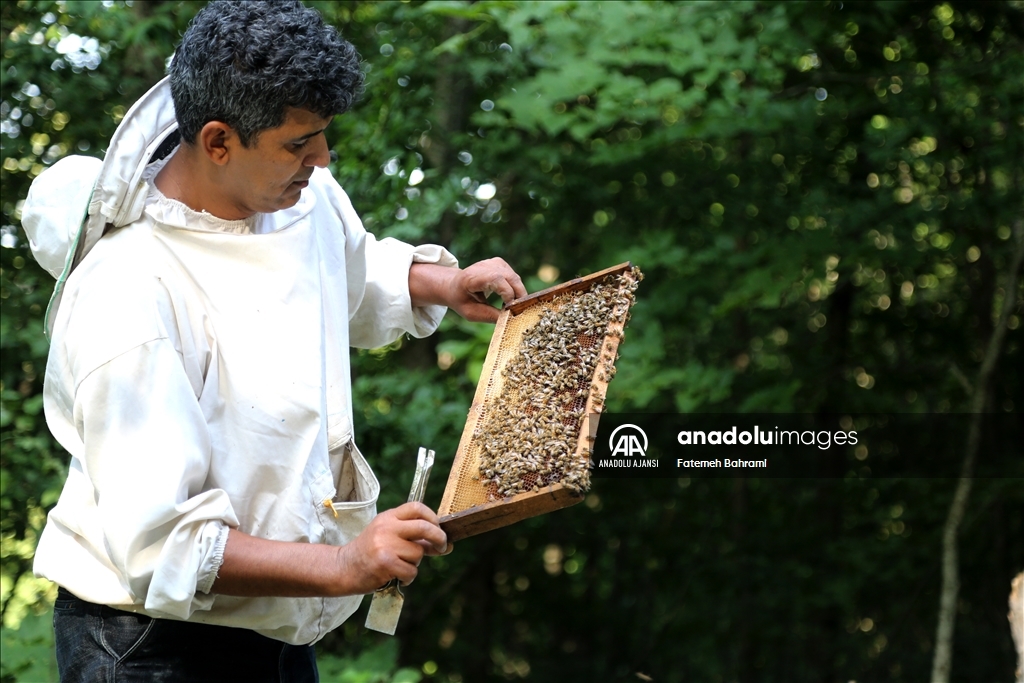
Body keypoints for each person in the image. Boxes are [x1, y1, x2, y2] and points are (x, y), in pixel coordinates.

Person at [21, 2, 525, 681]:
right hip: (149, 647)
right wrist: (347, 563)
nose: (321, 158)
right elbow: (165, 543)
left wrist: (445, 282)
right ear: (219, 141)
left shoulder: (294, 193)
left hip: (278, 622)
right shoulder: (126, 295)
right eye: (299, 143)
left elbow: (348, 267)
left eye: (320, 136)